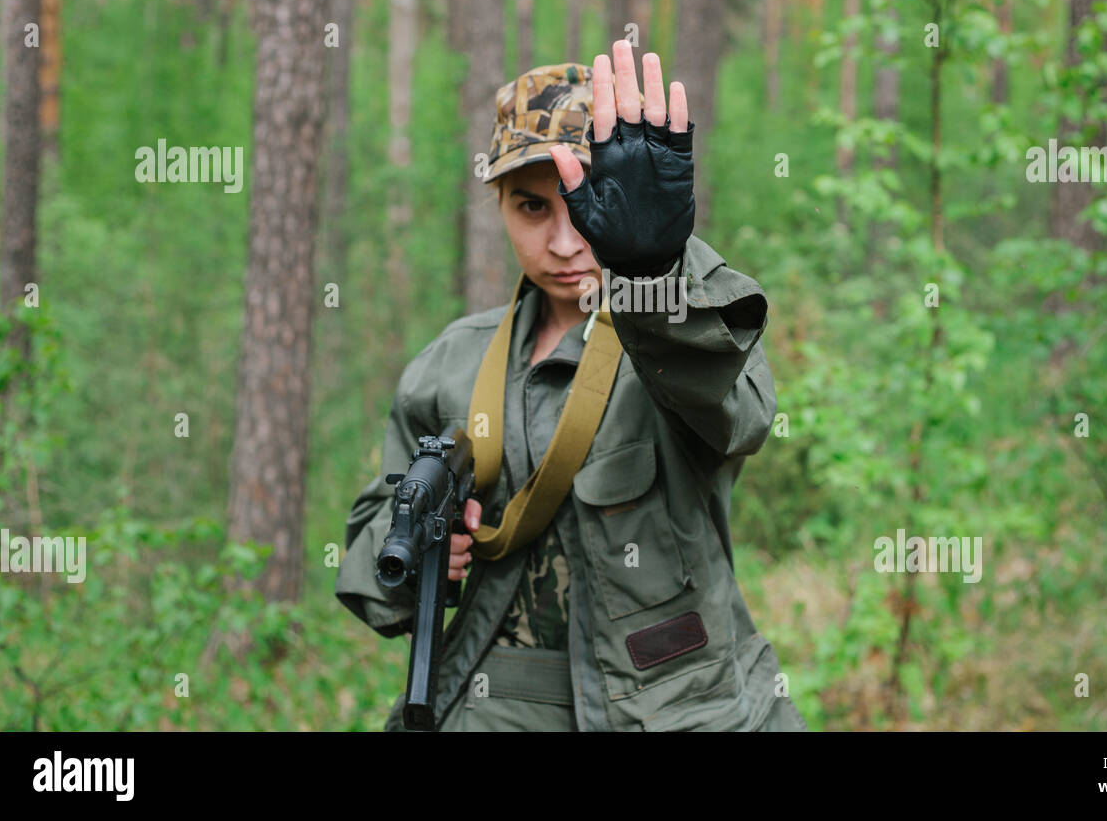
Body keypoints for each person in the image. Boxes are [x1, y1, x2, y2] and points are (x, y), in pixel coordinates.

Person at [336, 39, 807, 731]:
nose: (563, 242)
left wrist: (652, 270)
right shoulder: (451, 365)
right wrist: (424, 548)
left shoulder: (671, 332)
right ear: (498, 205)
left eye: (586, 205)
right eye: (532, 208)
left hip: (677, 706)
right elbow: (372, 570)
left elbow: (738, 410)